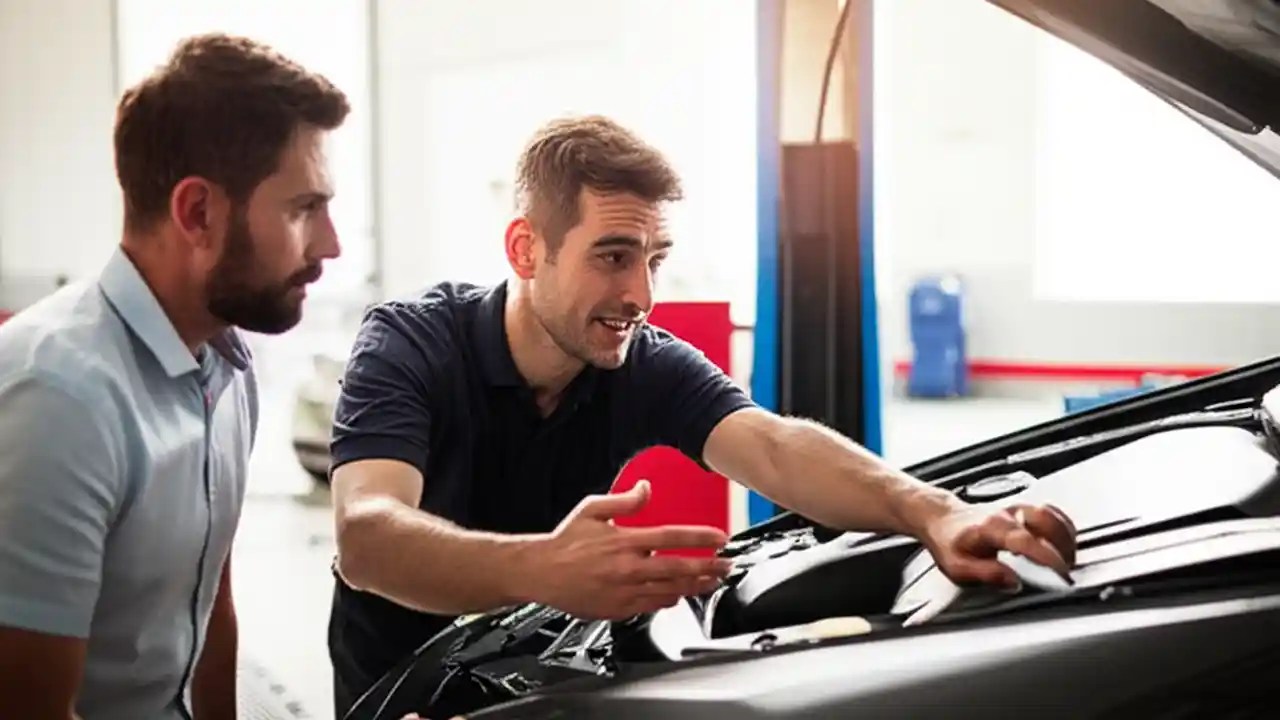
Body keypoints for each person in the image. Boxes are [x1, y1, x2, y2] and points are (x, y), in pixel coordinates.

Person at [325, 114, 1078, 715]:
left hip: (527, 678)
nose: (642, 296)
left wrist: (934, 512)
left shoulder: (636, 360)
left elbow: (775, 447)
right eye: (613, 257)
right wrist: (544, 569)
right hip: (399, 691)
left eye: (654, 259)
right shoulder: (411, 342)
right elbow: (367, 538)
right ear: (527, 249)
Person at [0, 33, 348, 720]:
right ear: (198, 213)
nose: (330, 244)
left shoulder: (224, 365)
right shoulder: (59, 401)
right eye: (303, 208)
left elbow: (208, 595)